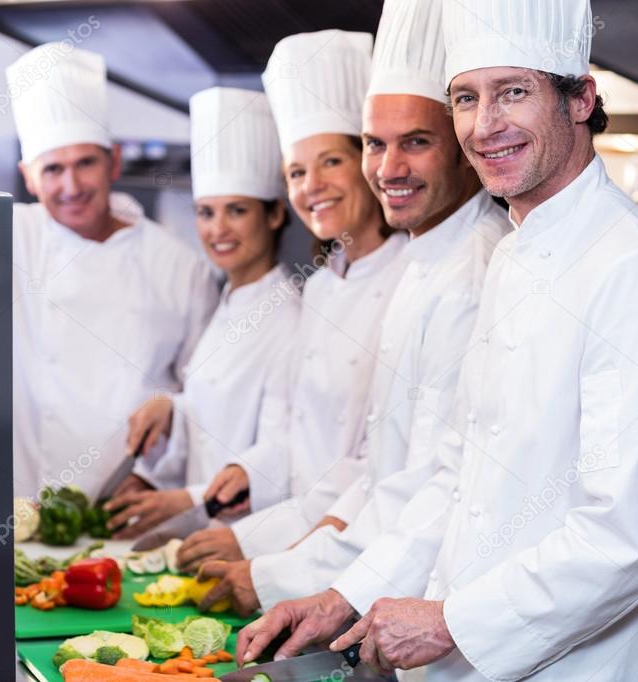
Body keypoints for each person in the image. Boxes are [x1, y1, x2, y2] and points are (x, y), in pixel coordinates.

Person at [236, 1, 638, 679]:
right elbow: (457, 477)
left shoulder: (632, 266)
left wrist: (453, 620)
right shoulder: (512, 257)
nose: (484, 126)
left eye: (512, 92)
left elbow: (630, 537)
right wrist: (343, 596)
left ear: (580, 99)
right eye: (464, 97)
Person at [195, 0, 510, 617]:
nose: (390, 168)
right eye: (374, 144)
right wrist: (279, 554)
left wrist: (288, 570)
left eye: (416, 142)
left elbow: (436, 489)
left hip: (409, 595)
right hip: (361, 573)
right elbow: (379, 466)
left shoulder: (473, 271)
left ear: (462, 149)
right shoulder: (408, 265)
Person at [0, 44, 219, 521]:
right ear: (28, 177)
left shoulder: (181, 266)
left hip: (134, 512)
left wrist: (157, 475)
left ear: (114, 161)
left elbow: (204, 394)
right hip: (24, 509)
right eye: (53, 169)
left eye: (85, 163)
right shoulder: (2, 242)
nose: (71, 185)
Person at [175, 30, 411, 572]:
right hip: (301, 542)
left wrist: (262, 546)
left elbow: (378, 463)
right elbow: (296, 435)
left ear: (370, 160)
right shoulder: (322, 286)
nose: (312, 186)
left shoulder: (409, 278)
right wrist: (249, 479)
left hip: (362, 555)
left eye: (330, 162)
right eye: (297, 172)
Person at [103, 87, 301, 539]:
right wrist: (170, 408)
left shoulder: (289, 319)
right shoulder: (227, 304)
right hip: (203, 537)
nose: (218, 230)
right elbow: (212, 418)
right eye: (206, 213)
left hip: (250, 541)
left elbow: (283, 456)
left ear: (273, 214)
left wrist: (189, 500)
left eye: (237, 211)